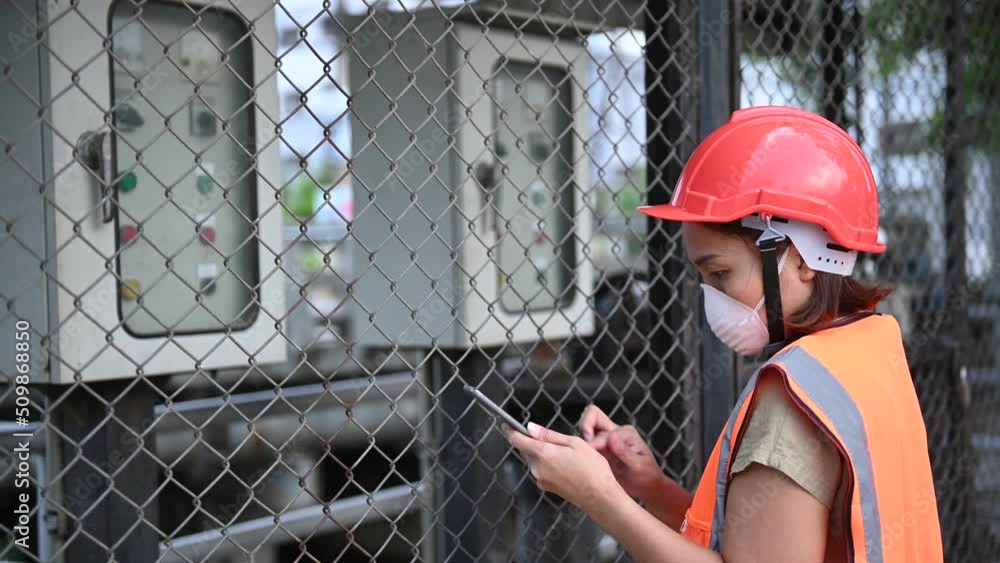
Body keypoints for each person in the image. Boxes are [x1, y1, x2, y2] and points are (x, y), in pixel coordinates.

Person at [502, 105, 944, 562]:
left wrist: (599, 497)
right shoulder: (864, 349)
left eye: (720, 273)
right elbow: (759, 542)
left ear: (799, 258)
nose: (712, 297)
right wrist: (651, 487)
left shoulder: (795, 398)